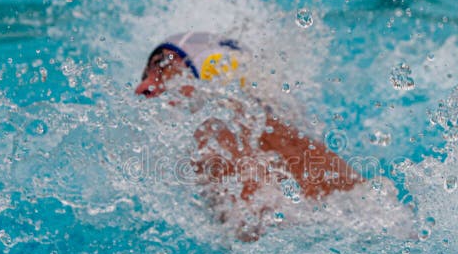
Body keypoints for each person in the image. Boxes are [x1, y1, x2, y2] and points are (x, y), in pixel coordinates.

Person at [135, 32, 365, 241]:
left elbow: (257, 231)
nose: (143, 87)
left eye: (162, 66)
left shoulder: (216, 130)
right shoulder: (312, 149)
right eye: (147, 74)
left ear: (209, 74)